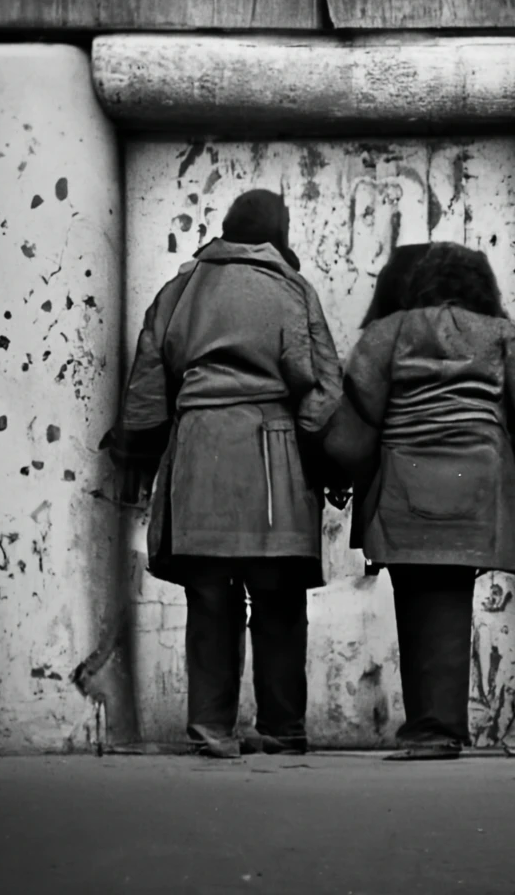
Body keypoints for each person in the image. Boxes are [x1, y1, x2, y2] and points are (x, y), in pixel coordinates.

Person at [103, 189, 348, 758]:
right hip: (273, 457)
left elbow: (146, 382)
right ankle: (283, 727)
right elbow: (323, 384)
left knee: (210, 598)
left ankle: (212, 729)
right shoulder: (291, 288)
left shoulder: (180, 288)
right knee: (279, 600)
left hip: (199, 453)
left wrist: (143, 450)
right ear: (275, 232)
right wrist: (312, 445)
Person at [324, 241, 515, 760]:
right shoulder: (499, 334)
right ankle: (440, 726)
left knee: (415, 602)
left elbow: (359, 412)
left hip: (406, 482)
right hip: (476, 481)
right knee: (451, 599)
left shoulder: (388, 332)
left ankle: (431, 727)